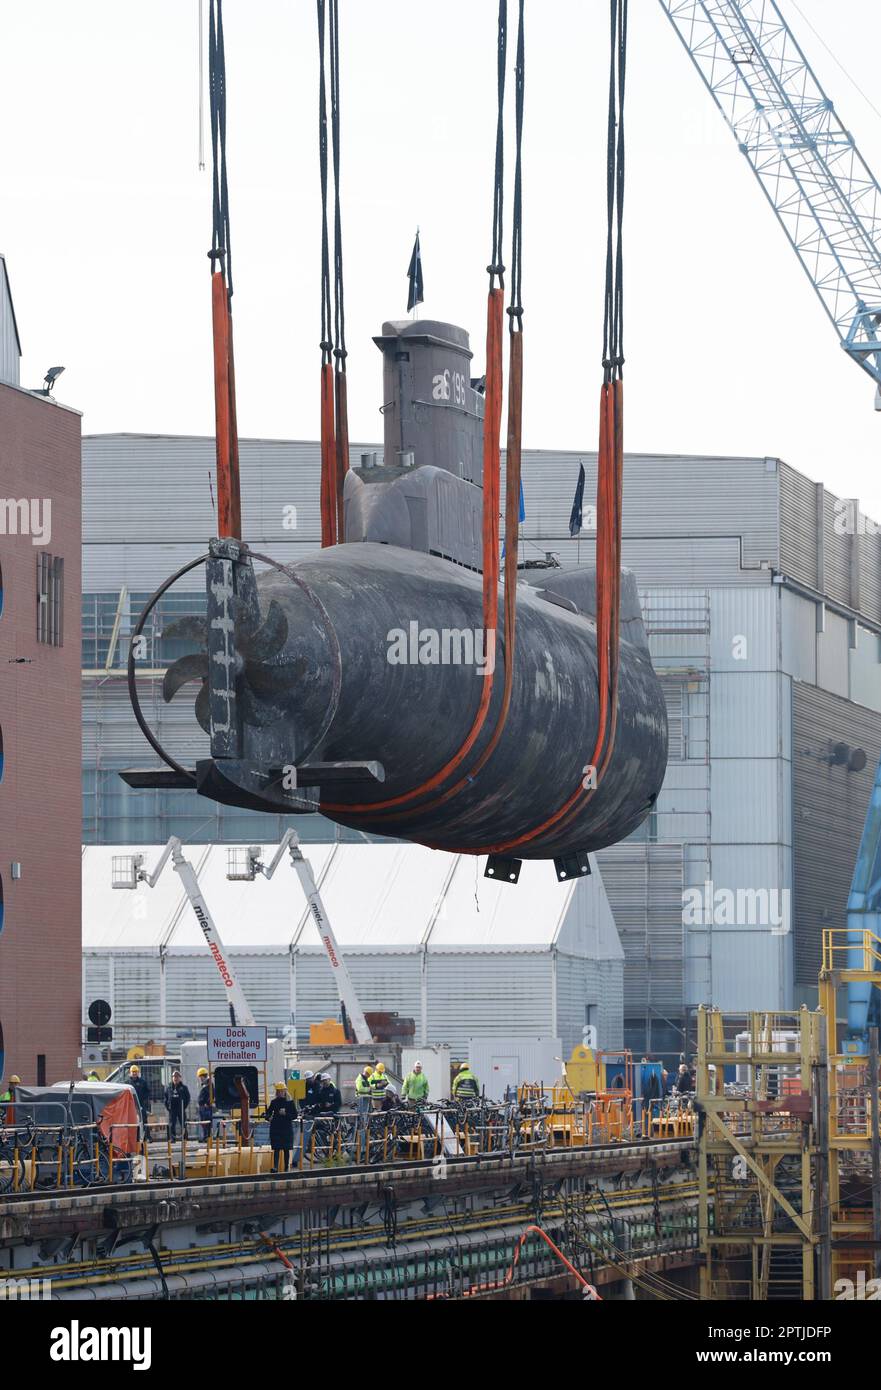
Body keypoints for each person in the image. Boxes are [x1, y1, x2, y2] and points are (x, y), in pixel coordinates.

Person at [265, 1082, 298, 1173]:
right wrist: (268, 1117)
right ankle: (275, 1167)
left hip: (286, 1128)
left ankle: (286, 1167)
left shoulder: (290, 1103)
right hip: (276, 1128)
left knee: (286, 1149)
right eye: (278, 1091)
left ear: (285, 1091)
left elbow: (295, 1115)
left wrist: (286, 1114)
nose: (279, 1093)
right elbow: (268, 1113)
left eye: (281, 1091)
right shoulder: (274, 1102)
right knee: (276, 1148)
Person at [163, 1070, 191, 1140]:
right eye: (174, 1077)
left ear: (180, 1078)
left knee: (183, 1123)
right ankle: (172, 1138)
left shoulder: (184, 1088)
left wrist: (184, 1107)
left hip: (181, 1108)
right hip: (172, 1109)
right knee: (172, 1124)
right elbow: (165, 1098)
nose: (176, 1078)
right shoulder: (169, 1087)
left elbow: (188, 1098)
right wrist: (168, 1107)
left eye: (177, 1077)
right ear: (172, 1078)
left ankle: (185, 1138)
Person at [128, 1065, 152, 1141]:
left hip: (141, 1104)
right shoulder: (127, 1083)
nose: (134, 1073)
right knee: (132, 1121)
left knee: (144, 1120)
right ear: (130, 1073)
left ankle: (147, 1136)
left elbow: (148, 1091)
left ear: (138, 1072)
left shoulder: (143, 1082)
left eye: (135, 1072)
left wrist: (143, 1099)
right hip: (131, 1105)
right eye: (133, 1072)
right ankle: (133, 1138)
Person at [196, 1067, 213, 1143]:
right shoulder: (204, 1084)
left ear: (203, 1076)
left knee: (207, 1122)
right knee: (203, 1123)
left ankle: (207, 1137)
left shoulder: (209, 1084)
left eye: (200, 1077)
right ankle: (205, 1136)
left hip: (206, 1107)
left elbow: (212, 1095)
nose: (200, 1079)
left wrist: (208, 1103)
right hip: (202, 1107)